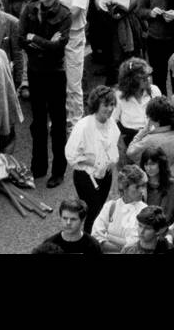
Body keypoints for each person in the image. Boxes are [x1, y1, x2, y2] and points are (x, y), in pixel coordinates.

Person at [20, 0, 70, 186]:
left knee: (58, 124)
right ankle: (38, 167)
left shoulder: (64, 13)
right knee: (38, 121)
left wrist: (36, 39)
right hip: (35, 70)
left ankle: (58, 170)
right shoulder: (29, 9)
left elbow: (59, 47)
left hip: (55, 72)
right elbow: (22, 39)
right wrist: (45, 43)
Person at [64, 84, 122, 233]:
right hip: (86, 176)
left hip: (105, 175)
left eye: (112, 105)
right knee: (94, 213)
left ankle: (92, 239)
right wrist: (93, 161)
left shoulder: (111, 124)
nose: (110, 109)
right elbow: (71, 154)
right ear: (96, 105)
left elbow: (113, 149)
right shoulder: (83, 126)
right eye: (106, 105)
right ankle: (91, 241)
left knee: (100, 210)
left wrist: (110, 165)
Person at [91, 163, 148, 252]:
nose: (142, 191)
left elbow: (138, 245)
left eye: (143, 186)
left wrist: (108, 236)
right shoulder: (110, 207)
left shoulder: (145, 211)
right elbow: (95, 238)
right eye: (137, 187)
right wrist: (126, 248)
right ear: (124, 188)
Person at [31, 198, 103, 254]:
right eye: (65, 218)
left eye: (73, 219)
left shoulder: (93, 246)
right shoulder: (49, 244)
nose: (68, 223)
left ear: (82, 220)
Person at [137, 146, 174, 221]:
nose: (148, 168)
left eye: (152, 164)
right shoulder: (140, 186)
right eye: (146, 164)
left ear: (161, 164)